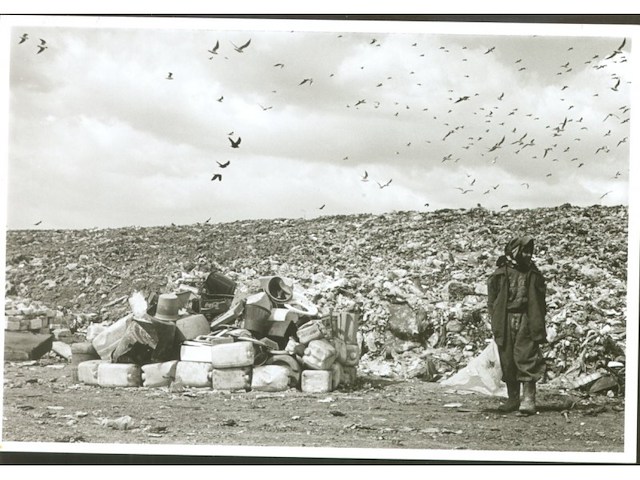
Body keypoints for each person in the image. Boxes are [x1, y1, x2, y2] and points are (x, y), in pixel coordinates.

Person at [487, 236, 547, 414]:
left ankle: (528, 399)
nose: (527, 255)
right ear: (513, 251)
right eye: (524, 251)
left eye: (529, 251)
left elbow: (540, 300)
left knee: (526, 356)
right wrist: (495, 320)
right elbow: (492, 300)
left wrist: (536, 322)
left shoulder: (533, 274)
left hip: (526, 319)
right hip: (505, 319)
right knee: (507, 358)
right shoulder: (499, 274)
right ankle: (513, 398)